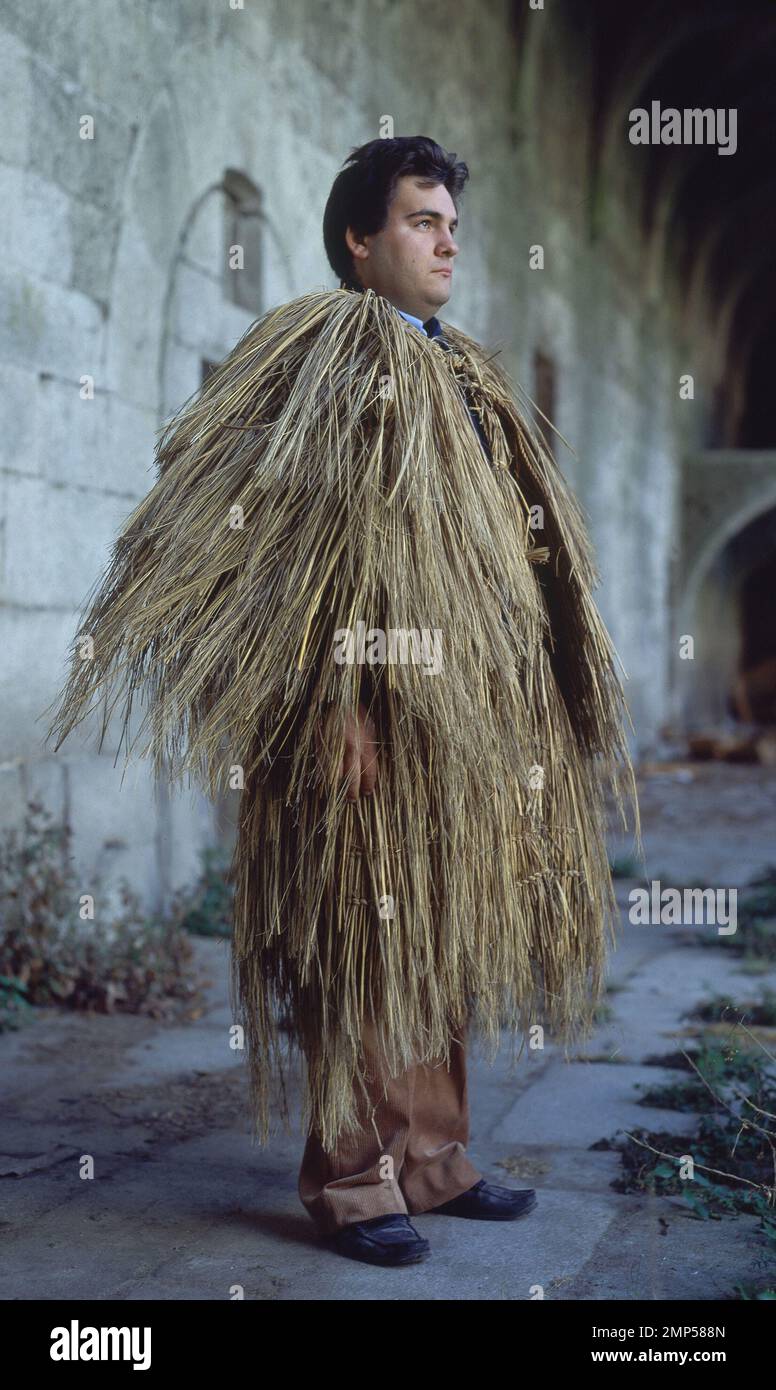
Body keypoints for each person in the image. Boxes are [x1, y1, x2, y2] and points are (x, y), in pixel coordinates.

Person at [43, 135, 639, 1270]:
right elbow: (277, 546)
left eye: (451, 222)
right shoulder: (322, 355)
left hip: (467, 721)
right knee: (361, 936)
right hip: (362, 712)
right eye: (421, 220)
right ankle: (350, 1179)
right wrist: (328, 700)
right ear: (359, 240)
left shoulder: (459, 370)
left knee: (437, 927)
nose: (447, 238)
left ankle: (431, 1154)